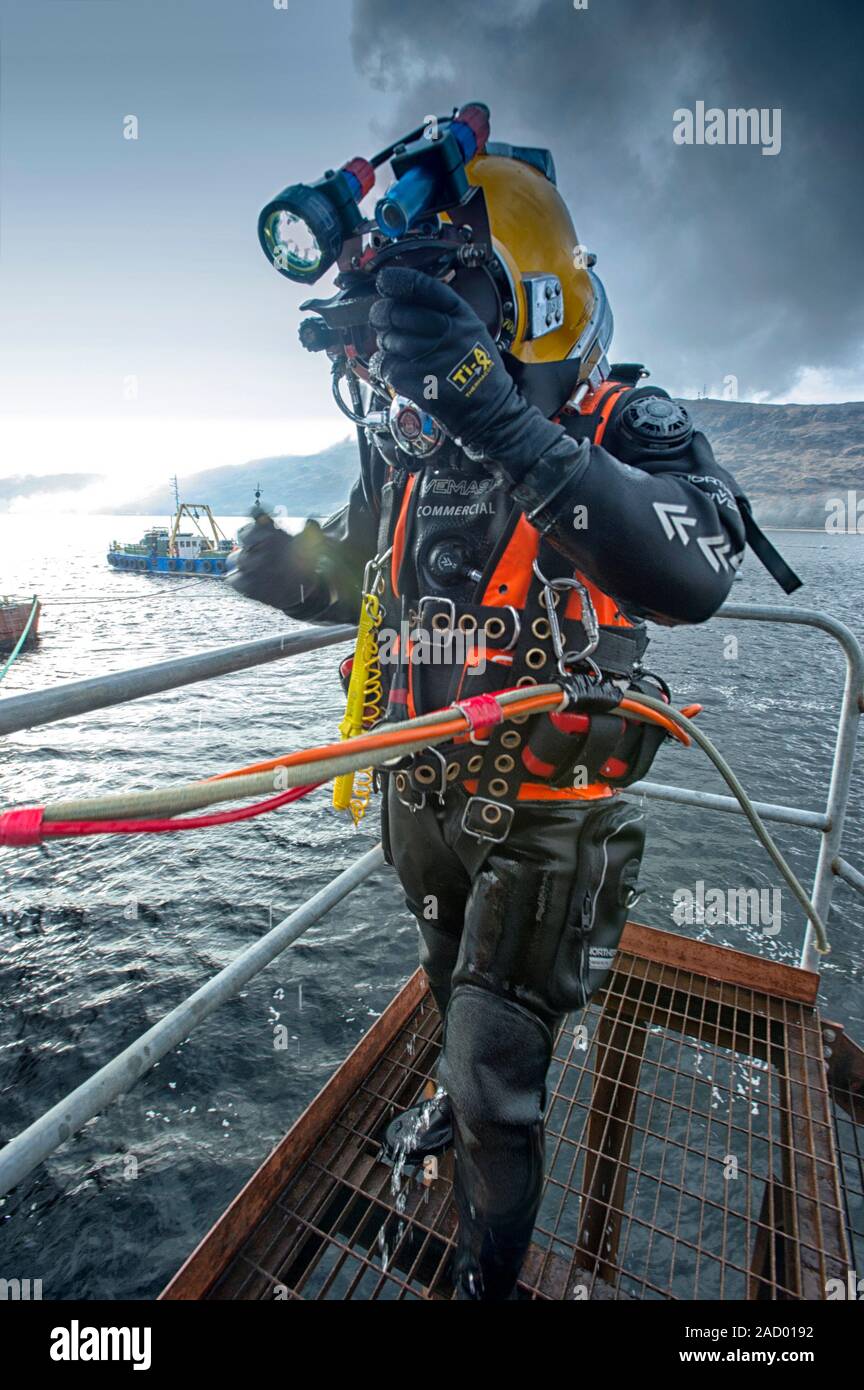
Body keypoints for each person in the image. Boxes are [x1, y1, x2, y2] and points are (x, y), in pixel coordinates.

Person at [228, 139, 797, 1300]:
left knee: (499, 1081)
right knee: (447, 979)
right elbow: (369, 574)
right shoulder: (411, 440)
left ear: (529, 298)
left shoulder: (624, 416)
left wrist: (496, 414)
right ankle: (457, 1088)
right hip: (425, 797)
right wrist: (284, 567)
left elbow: (696, 572)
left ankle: (494, 1280)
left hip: (548, 815)